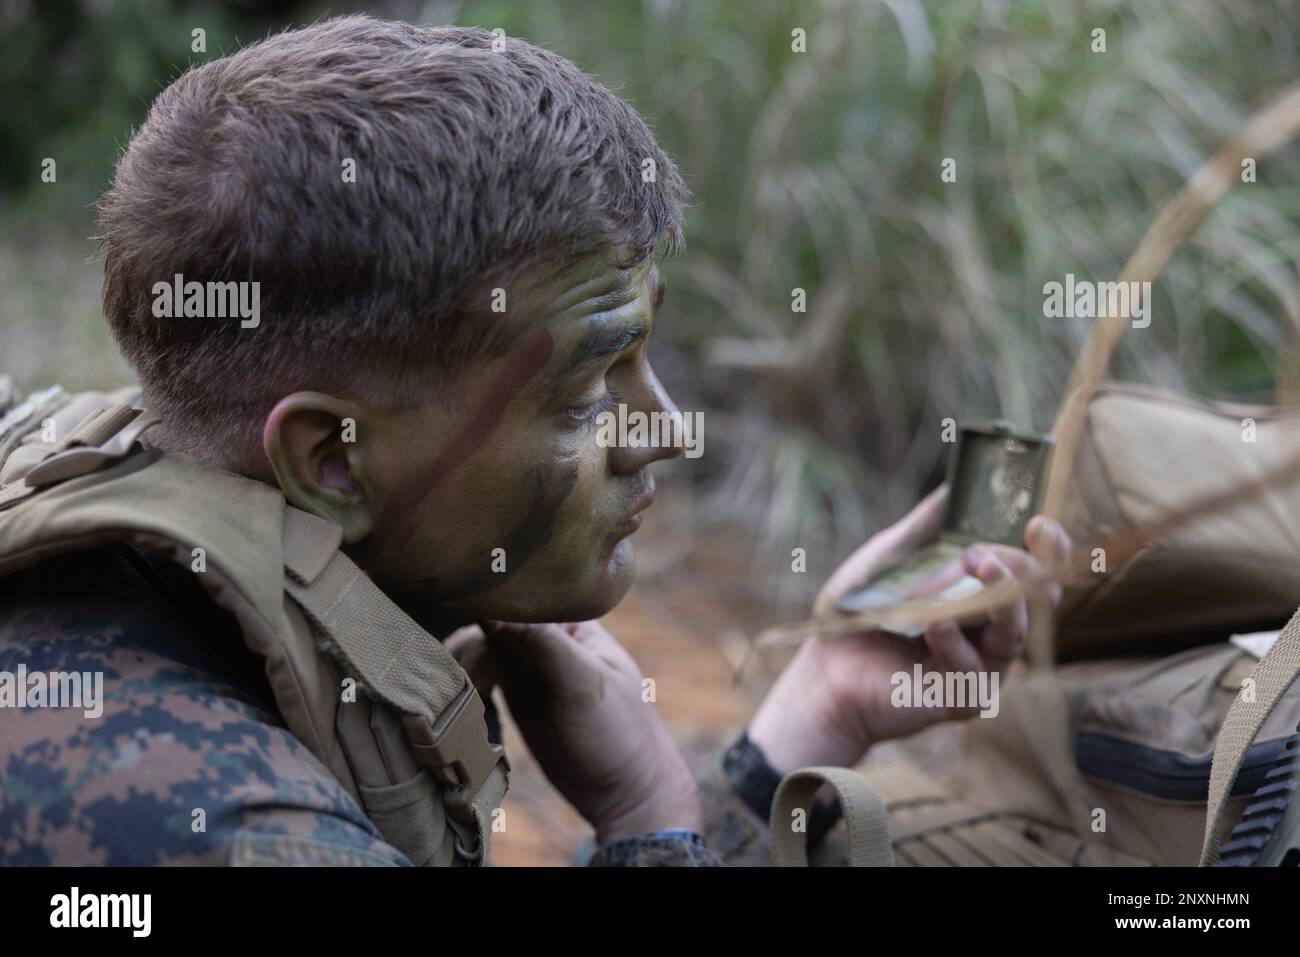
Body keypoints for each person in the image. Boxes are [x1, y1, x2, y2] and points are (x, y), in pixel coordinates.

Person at [0, 15, 1069, 867]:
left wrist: (820, 704)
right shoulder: (219, 818)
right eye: (584, 393)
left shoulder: (162, 537)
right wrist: (648, 821)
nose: (660, 433)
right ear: (332, 460)